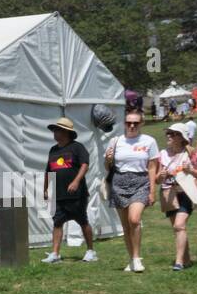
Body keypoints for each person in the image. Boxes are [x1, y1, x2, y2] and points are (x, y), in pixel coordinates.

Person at [104, 110, 157, 273]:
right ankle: (131, 259)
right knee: (126, 226)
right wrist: (108, 159)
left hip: (141, 182)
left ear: (141, 123)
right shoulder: (116, 141)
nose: (132, 125)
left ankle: (137, 258)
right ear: (124, 124)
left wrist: (152, 191)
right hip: (119, 182)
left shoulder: (149, 141)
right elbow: (108, 167)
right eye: (128, 123)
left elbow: (152, 167)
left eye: (135, 123)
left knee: (134, 220)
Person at [41, 117, 96, 264]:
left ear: (66, 132)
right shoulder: (53, 150)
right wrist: (45, 189)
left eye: (57, 130)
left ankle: (91, 251)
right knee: (57, 223)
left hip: (76, 194)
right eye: (54, 130)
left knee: (83, 221)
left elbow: (85, 164)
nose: (55, 133)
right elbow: (48, 171)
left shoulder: (77, 147)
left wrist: (76, 181)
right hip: (58, 194)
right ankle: (55, 254)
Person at [157, 121, 197, 271]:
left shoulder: (191, 153)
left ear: (181, 137)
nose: (169, 136)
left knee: (179, 225)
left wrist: (191, 170)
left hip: (186, 193)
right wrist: (161, 176)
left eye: (172, 134)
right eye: (168, 133)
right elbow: (157, 180)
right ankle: (186, 260)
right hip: (169, 194)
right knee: (179, 229)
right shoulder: (162, 154)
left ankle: (178, 262)